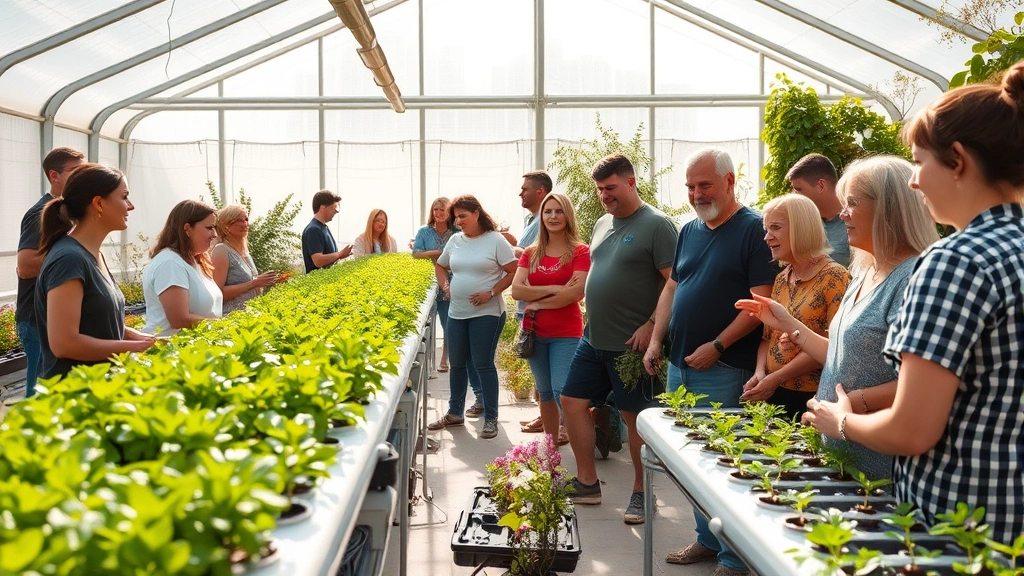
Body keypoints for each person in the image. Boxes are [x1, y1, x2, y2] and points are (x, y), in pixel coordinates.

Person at [802, 62, 1024, 545]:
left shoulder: (955, 261)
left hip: (952, 520)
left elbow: (912, 430)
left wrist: (841, 421)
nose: (916, 183)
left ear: (958, 160)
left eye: (920, 163)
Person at [737, 156, 939, 482]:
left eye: (852, 204)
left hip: (879, 467)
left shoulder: (915, 277)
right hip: (841, 452)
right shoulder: (863, 272)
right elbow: (839, 352)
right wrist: (788, 323)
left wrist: (847, 409)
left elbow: (924, 383)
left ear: (889, 208)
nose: (841, 214)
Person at [643, 148, 776, 575]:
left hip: (723, 367)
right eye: (690, 186)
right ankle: (706, 539)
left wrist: (717, 345)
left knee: (724, 462)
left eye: (705, 185)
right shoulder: (690, 230)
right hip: (681, 364)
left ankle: (734, 558)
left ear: (730, 181)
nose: (696, 193)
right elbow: (672, 290)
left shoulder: (753, 230)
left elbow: (762, 302)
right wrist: (656, 340)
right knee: (691, 461)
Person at [560, 153, 678, 525]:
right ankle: (587, 482)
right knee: (572, 400)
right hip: (593, 338)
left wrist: (651, 325)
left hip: (631, 346)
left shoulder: (658, 225)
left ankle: (643, 494)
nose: (604, 196)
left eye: (610, 188)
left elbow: (676, 283)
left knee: (635, 418)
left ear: (631, 182)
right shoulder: (601, 222)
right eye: (599, 190)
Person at [34, 163, 157, 380]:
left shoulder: (93, 254)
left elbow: (97, 324)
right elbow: (64, 343)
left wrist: (140, 339)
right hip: (74, 396)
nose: (131, 206)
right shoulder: (69, 259)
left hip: (101, 388)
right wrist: (132, 348)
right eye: (124, 196)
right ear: (98, 203)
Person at [740, 194, 850, 418]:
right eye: (766, 229)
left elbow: (834, 347)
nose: (767, 238)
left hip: (813, 398)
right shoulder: (782, 278)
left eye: (776, 228)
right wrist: (761, 373)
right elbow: (767, 338)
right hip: (775, 393)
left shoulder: (835, 277)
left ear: (802, 229)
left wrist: (776, 377)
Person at [427, 195, 517, 440]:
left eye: (463, 216)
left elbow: (513, 270)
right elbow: (440, 265)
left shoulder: (495, 240)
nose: (458, 221)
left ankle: (491, 417)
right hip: (457, 312)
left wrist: (491, 292)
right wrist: (445, 285)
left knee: (483, 364)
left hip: (486, 313)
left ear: (477, 213)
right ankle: (455, 412)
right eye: (456, 217)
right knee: (457, 364)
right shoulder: (455, 240)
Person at [510, 192, 590, 447]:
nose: (553, 216)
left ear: (568, 215)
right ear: (541, 217)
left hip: (566, 332)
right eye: (548, 212)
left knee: (562, 391)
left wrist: (537, 303)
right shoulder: (531, 253)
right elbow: (516, 290)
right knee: (544, 391)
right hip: (534, 332)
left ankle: (584, 441)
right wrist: (556, 289)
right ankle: (551, 445)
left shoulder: (580, 251)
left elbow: (574, 294)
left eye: (559, 211)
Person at [15, 147, 85, 395]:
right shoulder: (41, 212)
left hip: (50, 316)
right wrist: (75, 247)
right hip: (37, 318)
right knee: (41, 394)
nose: (82, 176)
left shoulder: (70, 212)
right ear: (54, 176)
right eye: (76, 171)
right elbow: (25, 266)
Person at [142, 200, 223, 336]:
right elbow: (179, 319)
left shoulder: (193, 261)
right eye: (209, 228)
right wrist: (226, 324)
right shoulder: (170, 263)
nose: (214, 234)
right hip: (171, 352)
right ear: (187, 229)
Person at [512, 170, 553, 435]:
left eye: (525, 189)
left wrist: (510, 249)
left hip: (539, 307)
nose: (520, 193)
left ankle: (554, 422)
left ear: (541, 192)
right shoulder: (532, 220)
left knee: (547, 373)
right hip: (528, 306)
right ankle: (544, 416)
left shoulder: (544, 221)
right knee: (539, 370)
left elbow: (530, 258)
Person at [787, 153, 851, 267]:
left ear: (821, 185)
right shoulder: (800, 222)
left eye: (798, 189)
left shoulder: (854, 222)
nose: (794, 195)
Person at [211, 204, 278, 313]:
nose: (244, 224)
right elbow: (217, 294)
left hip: (250, 317)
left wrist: (264, 281)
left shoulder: (244, 251)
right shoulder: (221, 250)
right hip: (231, 319)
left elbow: (251, 284)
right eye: (238, 220)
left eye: (246, 219)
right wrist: (254, 283)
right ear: (225, 224)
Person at [301, 190, 352, 273]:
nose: (335, 212)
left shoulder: (323, 227)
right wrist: (339, 254)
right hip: (318, 282)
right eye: (333, 208)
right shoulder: (314, 229)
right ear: (323, 208)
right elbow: (318, 260)